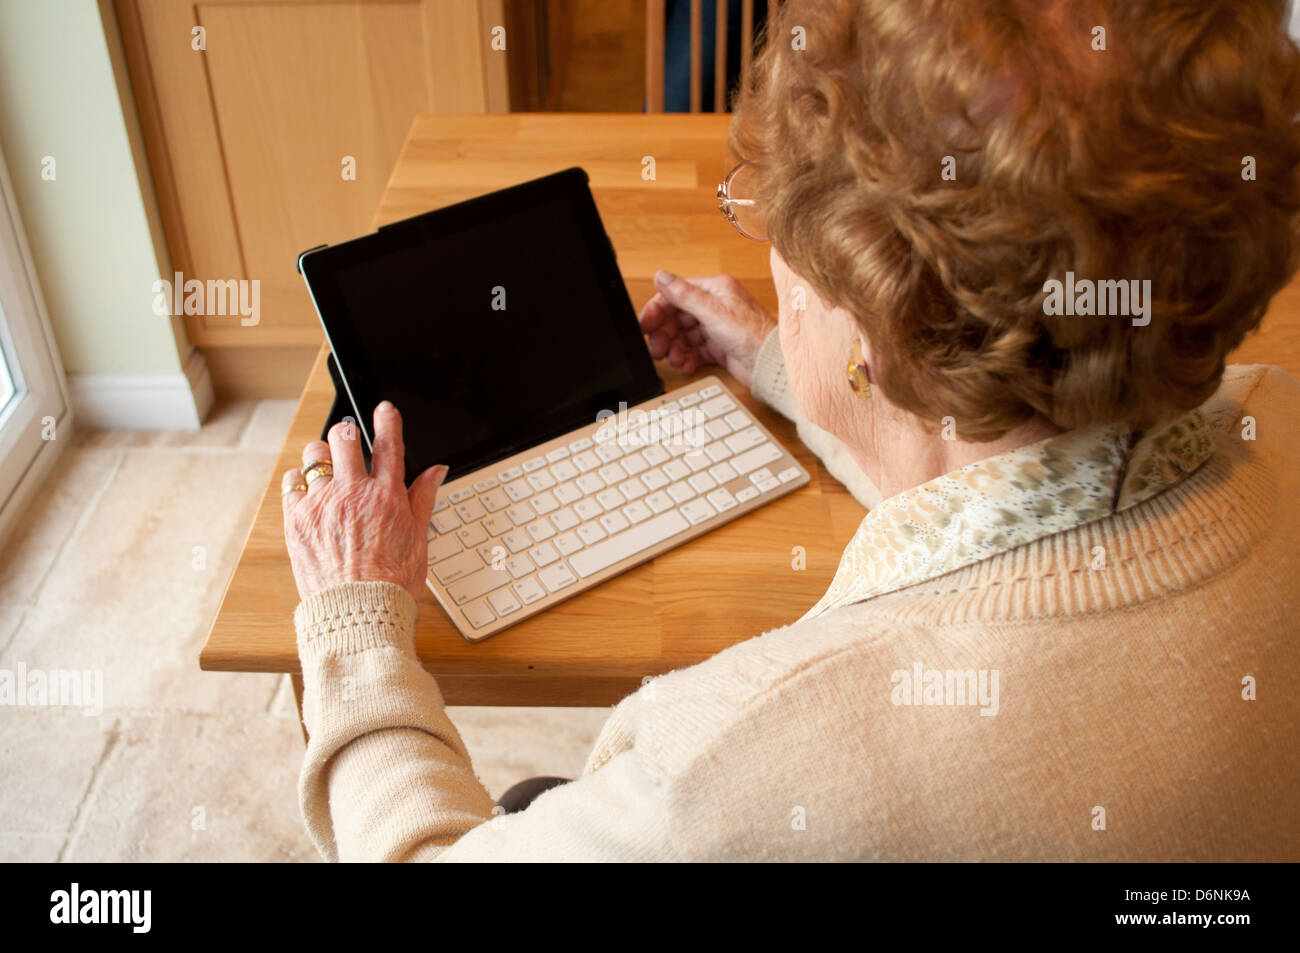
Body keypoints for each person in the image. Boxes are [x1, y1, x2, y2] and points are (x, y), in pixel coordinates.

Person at [280, 0, 1300, 860]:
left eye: (767, 219)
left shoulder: (732, 773)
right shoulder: (1277, 417)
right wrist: (786, 364)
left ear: (869, 322)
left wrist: (356, 627)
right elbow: (1021, 487)